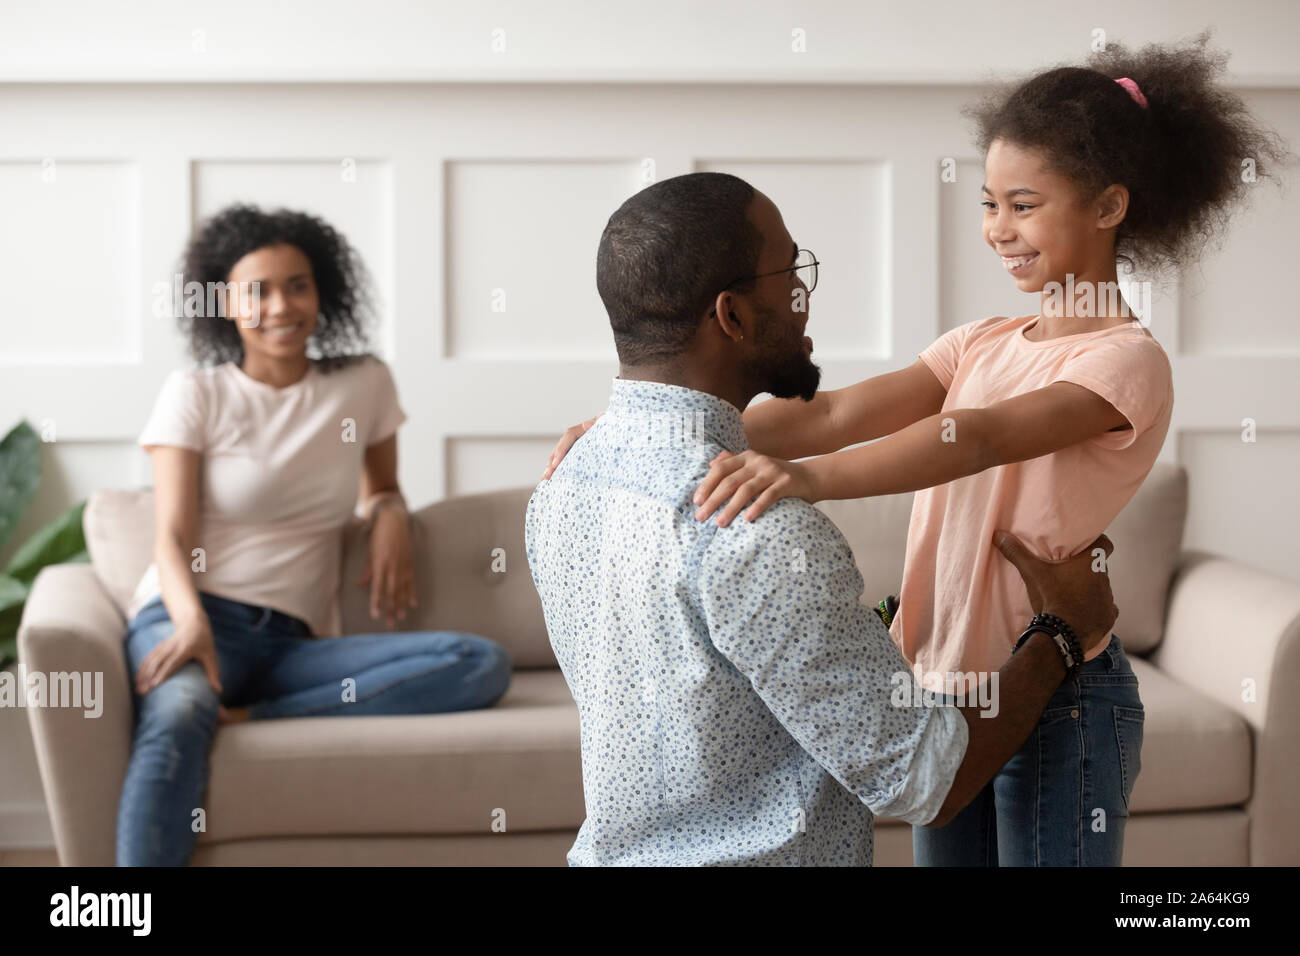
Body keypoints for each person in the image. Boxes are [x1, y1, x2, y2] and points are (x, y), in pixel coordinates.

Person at [549, 35, 1289, 866]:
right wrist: (646, 430)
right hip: (938, 686)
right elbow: (829, 415)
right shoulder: (980, 341)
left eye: (1023, 204)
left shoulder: (1124, 361)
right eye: (988, 203)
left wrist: (806, 481)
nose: (997, 230)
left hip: (1058, 698)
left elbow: (975, 438)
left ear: (1109, 208)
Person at [526, 170, 1120, 866]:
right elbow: (927, 778)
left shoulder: (569, 477)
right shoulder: (761, 529)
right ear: (733, 316)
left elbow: (838, 421)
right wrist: (1059, 631)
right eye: (789, 275)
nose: (804, 300)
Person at [117, 205, 512, 866]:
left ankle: (256, 716)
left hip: (290, 644)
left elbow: (382, 487)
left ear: (323, 293)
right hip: (189, 614)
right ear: (225, 303)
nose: (281, 305)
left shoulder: (362, 384)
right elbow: (172, 538)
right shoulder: (196, 393)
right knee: (178, 716)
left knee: (479, 663)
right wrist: (190, 624)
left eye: (297, 285)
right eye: (258, 290)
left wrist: (388, 514)